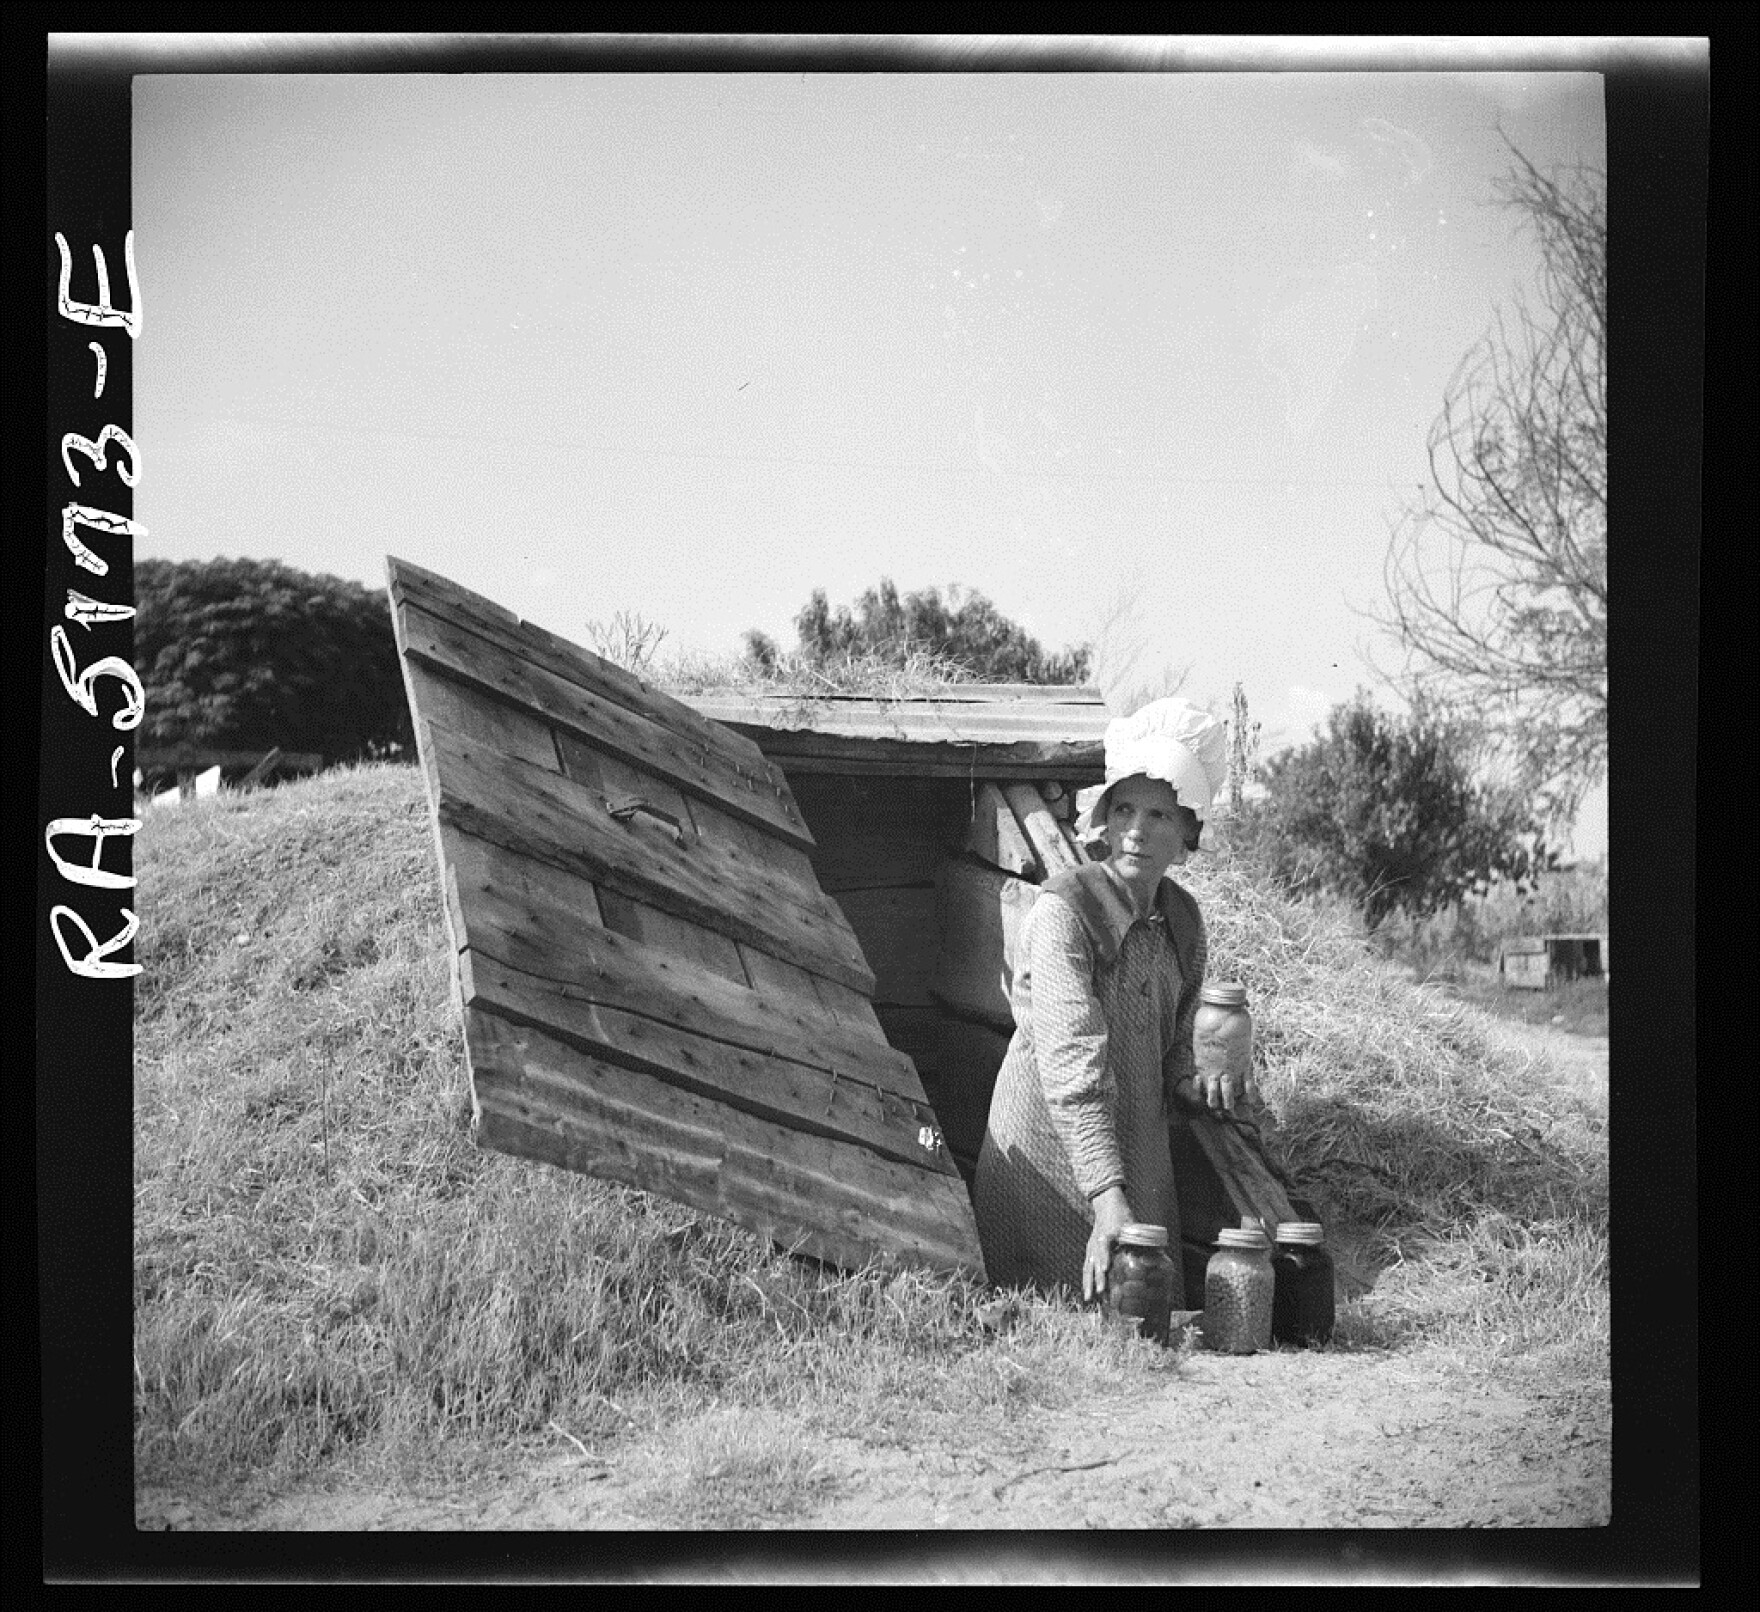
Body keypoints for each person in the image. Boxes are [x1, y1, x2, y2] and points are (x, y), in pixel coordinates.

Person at [973, 697, 1241, 1306]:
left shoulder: (1184, 922)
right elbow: (1072, 1065)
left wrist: (1195, 1084)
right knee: (1051, 1329)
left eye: (1159, 815)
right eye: (1123, 809)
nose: (1137, 832)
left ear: (1189, 831)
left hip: (1137, 1172)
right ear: (1103, 817)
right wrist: (1107, 1197)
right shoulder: (1065, 912)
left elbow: (1172, 1051)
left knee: (1142, 1335)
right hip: (1045, 1164)